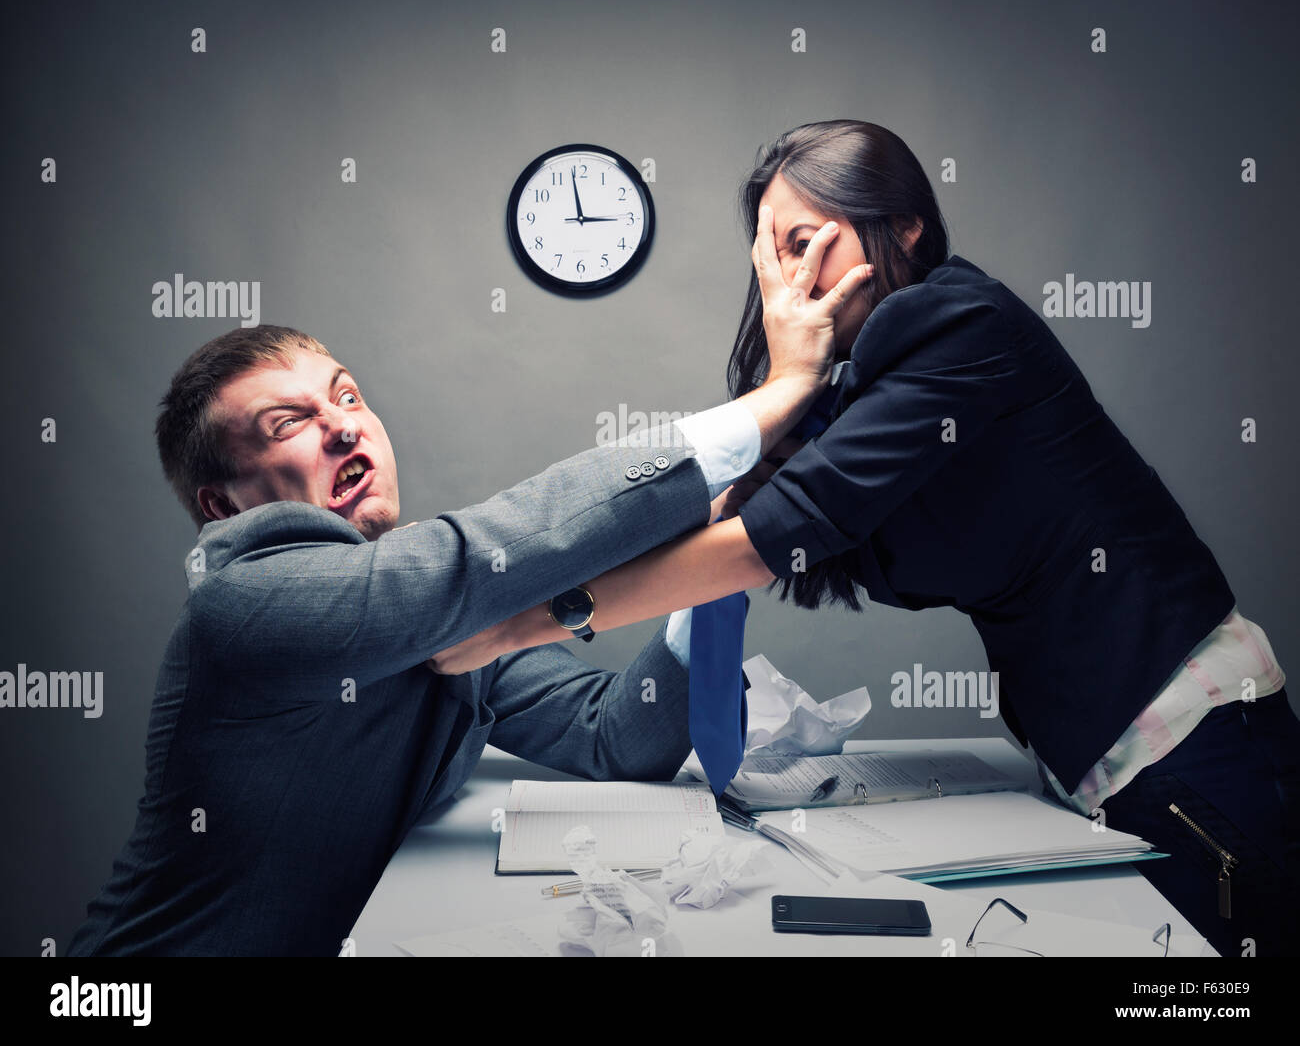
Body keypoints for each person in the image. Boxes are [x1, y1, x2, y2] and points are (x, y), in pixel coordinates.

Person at [432, 119, 1300, 958]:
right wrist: (786, 382)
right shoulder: (856, 387)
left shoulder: (958, 321)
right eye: (774, 254)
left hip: (1188, 721)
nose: (792, 277)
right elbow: (728, 510)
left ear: (906, 227)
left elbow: (764, 537)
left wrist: (520, 626)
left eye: (809, 242)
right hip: (1090, 746)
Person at [66, 291, 860, 955]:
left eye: (346, 395)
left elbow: (616, 737)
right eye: (288, 423)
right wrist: (772, 400)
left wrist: (716, 552)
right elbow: (465, 563)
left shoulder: (434, 619)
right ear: (221, 505)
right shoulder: (239, 606)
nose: (345, 425)